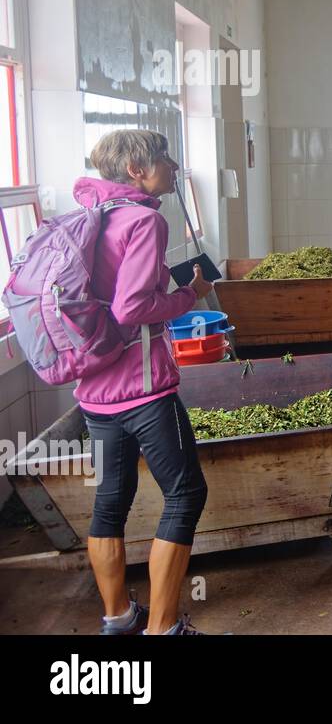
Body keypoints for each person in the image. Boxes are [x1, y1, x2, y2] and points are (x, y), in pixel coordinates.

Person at [76, 129, 213, 635]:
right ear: (136, 169)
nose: (173, 167)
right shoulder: (144, 220)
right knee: (184, 494)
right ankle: (163, 629)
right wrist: (188, 296)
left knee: (110, 501)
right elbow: (132, 308)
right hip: (143, 389)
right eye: (163, 159)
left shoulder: (90, 217)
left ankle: (117, 618)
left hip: (94, 391)